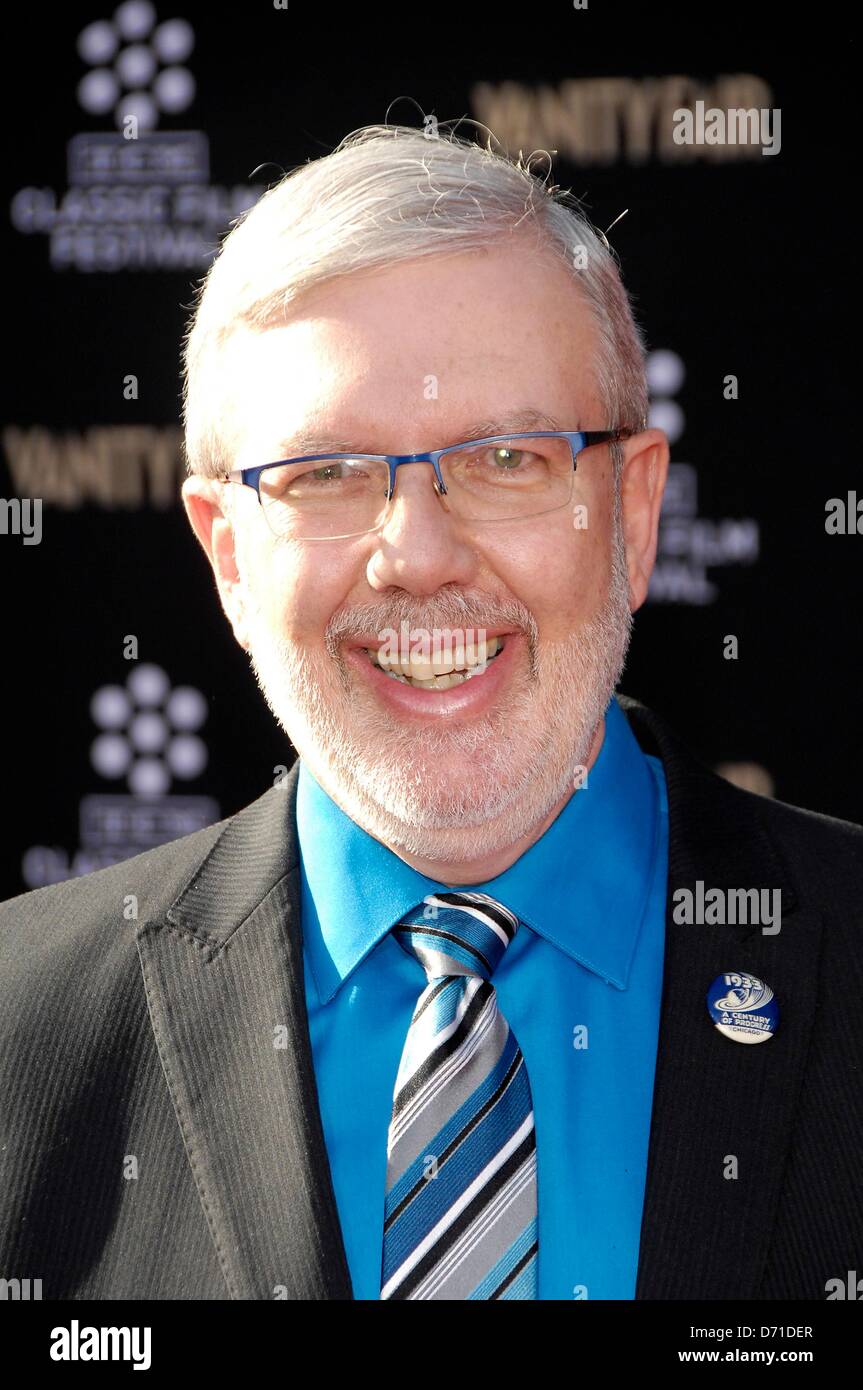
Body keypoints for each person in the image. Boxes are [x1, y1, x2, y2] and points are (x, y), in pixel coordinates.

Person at [1, 124, 860, 1302]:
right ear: (229, 559)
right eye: (326, 476)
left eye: (507, 457)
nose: (415, 555)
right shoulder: (18, 1027)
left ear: (635, 513)